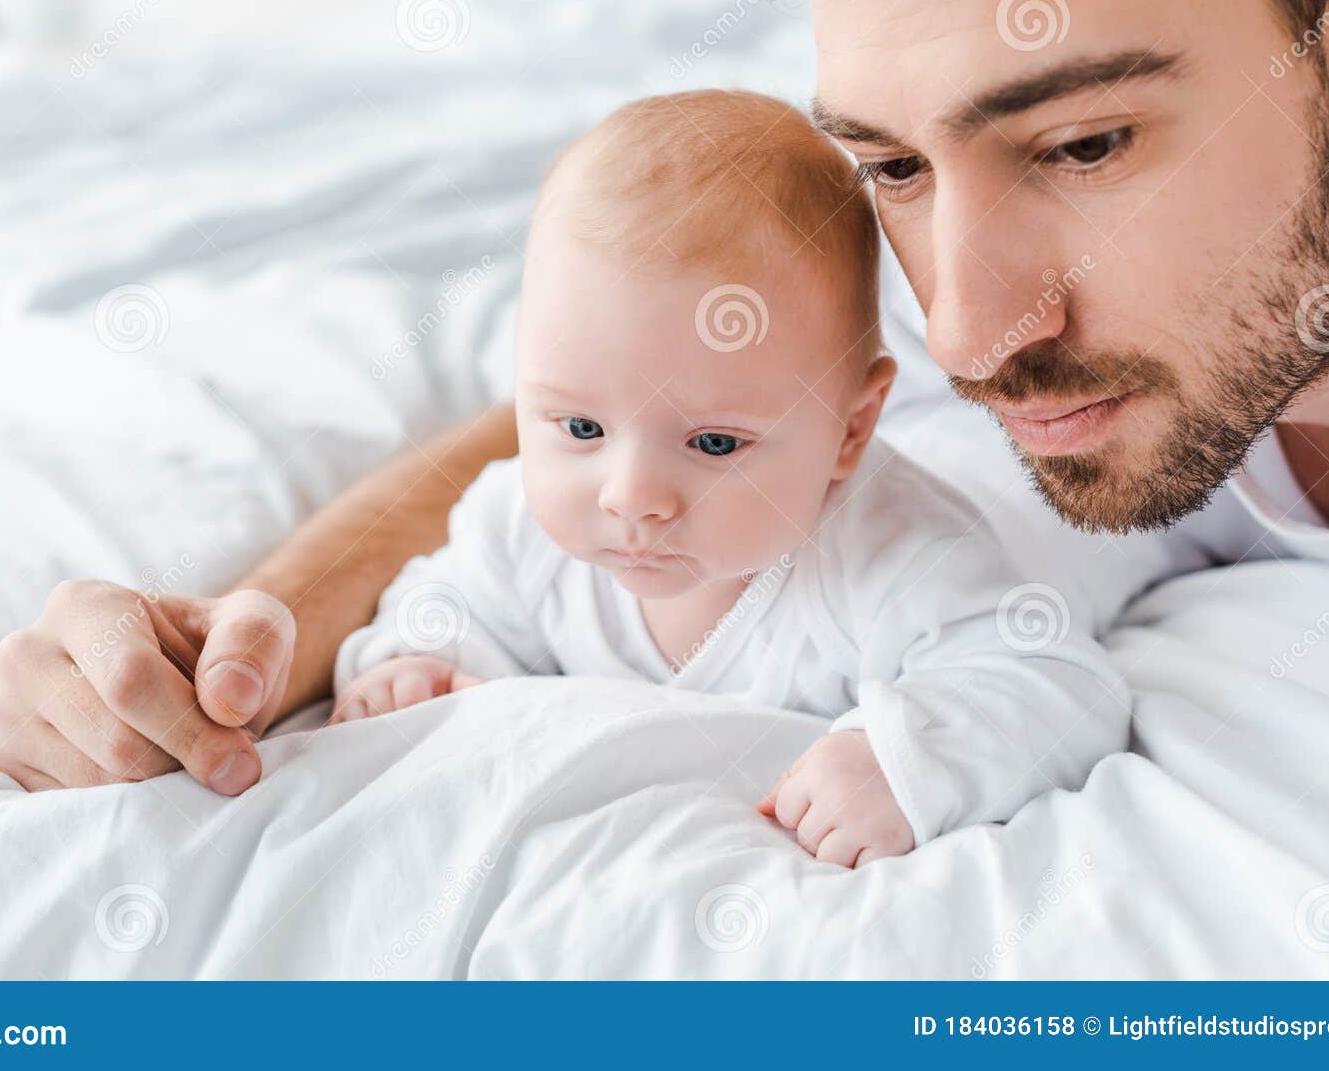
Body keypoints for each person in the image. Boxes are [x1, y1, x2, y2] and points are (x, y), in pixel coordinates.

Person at [0, 0, 1329, 795]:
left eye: (1086, 145)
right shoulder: (945, 282)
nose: (962, 330)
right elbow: (598, 420)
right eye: (891, 161)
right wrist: (230, 647)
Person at [327, 89, 1126, 868]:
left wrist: (905, 759)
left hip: (1042, 503)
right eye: (581, 429)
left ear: (851, 428)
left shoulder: (904, 553)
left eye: (713, 443)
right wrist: (409, 667)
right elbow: (450, 605)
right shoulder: (517, 524)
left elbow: (1060, 685)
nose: (631, 495)